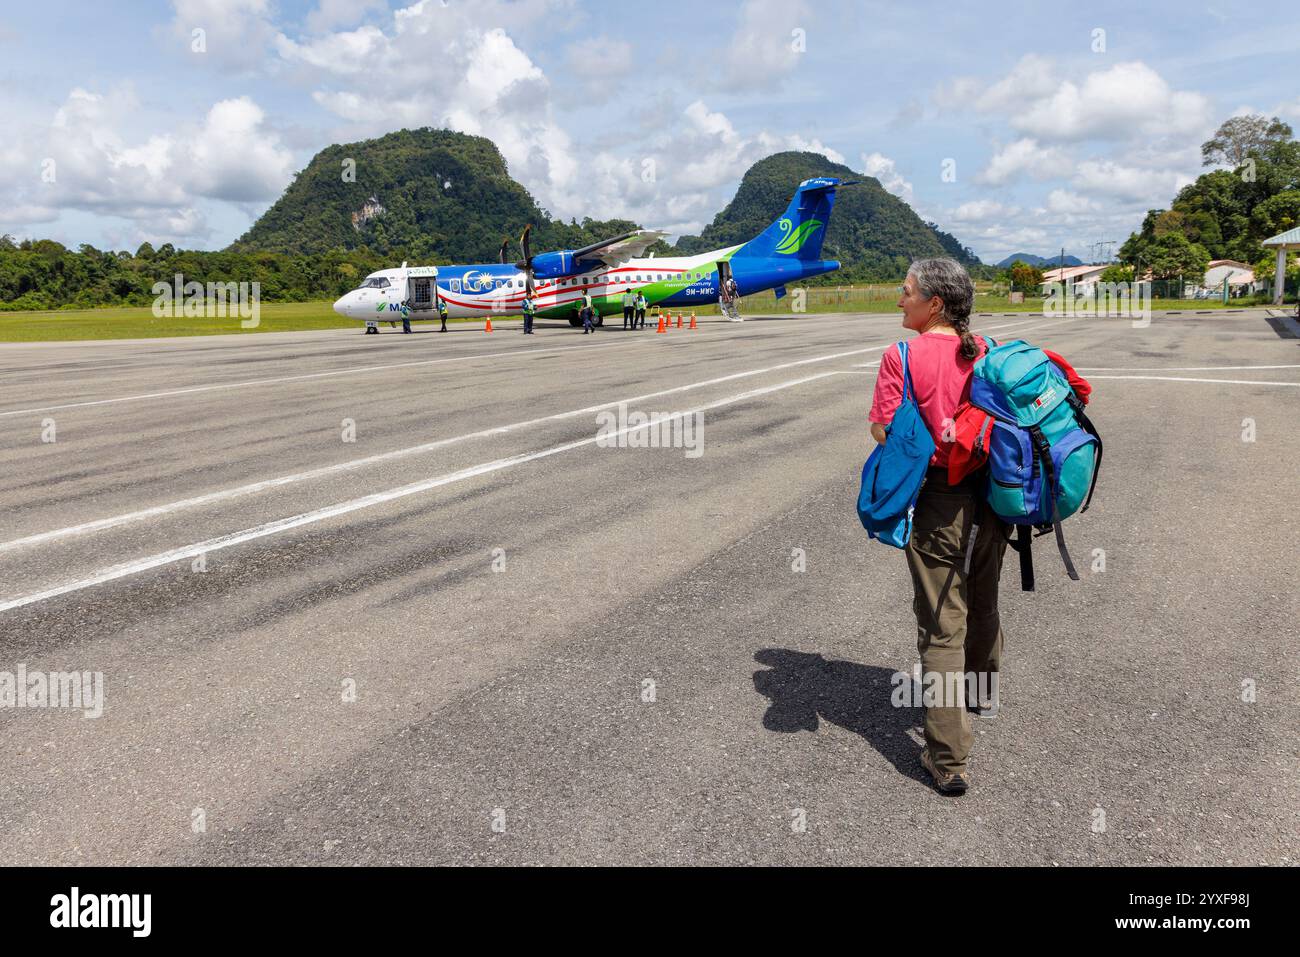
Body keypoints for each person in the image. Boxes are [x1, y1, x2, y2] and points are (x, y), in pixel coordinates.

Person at [867, 257, 1007, 796]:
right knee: (983, 598)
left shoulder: (901, 355)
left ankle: (948, 759)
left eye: (906, 291)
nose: (899, 300)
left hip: (939, 502)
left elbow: (885, 430)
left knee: (942, 625)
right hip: (994, 500)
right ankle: (981, 693)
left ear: (935, 304)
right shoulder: (989, 350)